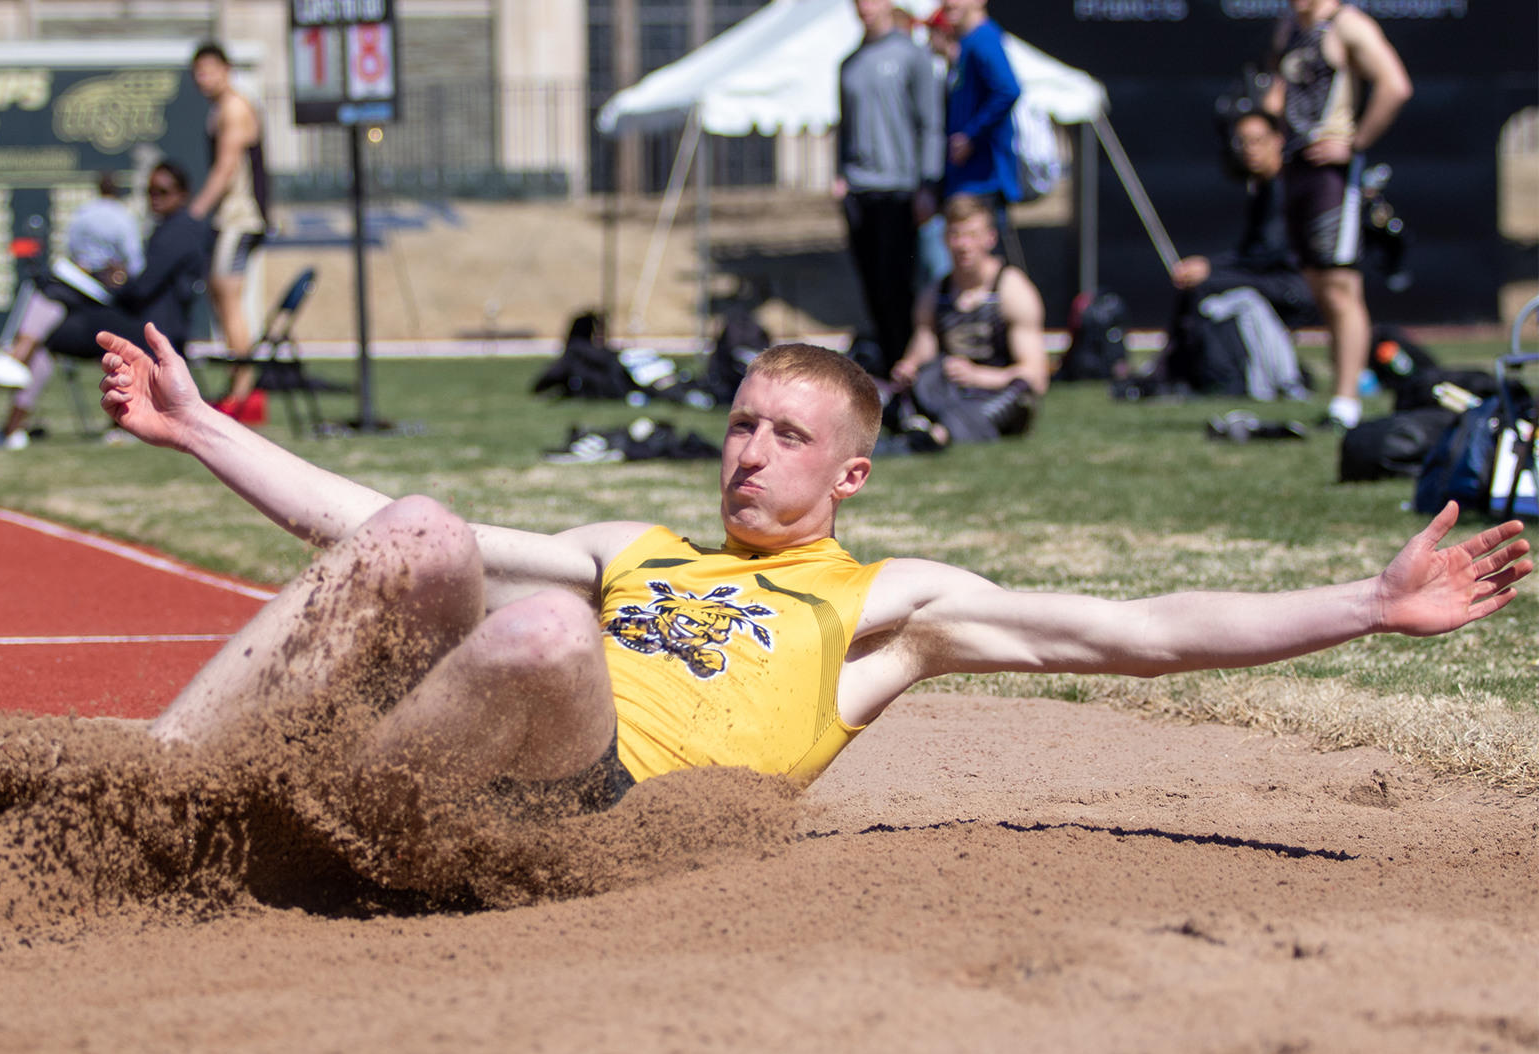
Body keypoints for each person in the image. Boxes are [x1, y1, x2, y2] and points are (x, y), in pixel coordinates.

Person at [87, 326, 1527, 852]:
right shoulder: (637, 548)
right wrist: (200, 426)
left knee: (535, 628)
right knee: (422, 529)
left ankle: (318, 840)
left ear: (848, 477)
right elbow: (365, 532)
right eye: (740, 424)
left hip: (591, 809)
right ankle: (141, 791)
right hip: (451, 747)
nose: (748, 452)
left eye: (787, 436)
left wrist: (1364, 602)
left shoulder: (890, 608)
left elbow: (1135, 630)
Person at [0, 161, 208, 453]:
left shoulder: (178, 230)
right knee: (51, 317)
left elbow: (141, 288)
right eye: (150, 191)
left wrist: (111, 281)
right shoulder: (161, 226)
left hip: (149, 330)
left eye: (162, 191)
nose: (154, 197)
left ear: (182, 194)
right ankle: (11, 425)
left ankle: (15, 364)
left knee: (52, 302)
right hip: (137, 319)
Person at [1261, 0, 1412, 433]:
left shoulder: (1347, 25)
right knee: (1319, 287)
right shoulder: (1289, 25)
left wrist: (1355, 142)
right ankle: (1343, 387)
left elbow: (1395, 84)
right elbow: (1277, 88)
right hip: (1296, 170)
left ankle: (1347, 399)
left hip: (1332, 176)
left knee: (1340, 285)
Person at [1156, 110, 1317, 399]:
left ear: (1277, 141)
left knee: (1203, 285)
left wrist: (1210, 267)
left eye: (1258, 141)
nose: (1251, 150)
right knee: (1197, 285)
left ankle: (1222, 379)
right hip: (1271, 277)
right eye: (1243, 143)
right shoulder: (1262, 188)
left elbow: (1270, 252)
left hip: (1291, 285)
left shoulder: (1285, 187)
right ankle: (1179, 370)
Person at [833, 0, 943, 378]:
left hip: (900, 190)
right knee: (872, 286)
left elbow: (930, 123)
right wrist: (840, 176)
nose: (865, 6)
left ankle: (909, 368)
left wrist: (927, 183)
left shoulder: (912, 56)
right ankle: (886, 368)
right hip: (859, 192)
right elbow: (844, 127)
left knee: (898, 284)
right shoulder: (849, 63)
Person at [0, 170, 145, 395]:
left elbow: (73, 250)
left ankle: (15, 356)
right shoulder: (123, 215)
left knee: (49, 296)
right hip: (92, 288)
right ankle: (15, 371)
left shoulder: (83, 213)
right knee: (49, 307)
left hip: (101, 296)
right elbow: (135, 262)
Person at [887, 193, 1045, 447]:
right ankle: (936, 428)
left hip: (997, 396)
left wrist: (978, 376)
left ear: (990, 238)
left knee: (1020, 394)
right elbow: (922, 351)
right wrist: (908, 368)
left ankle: (941, 431)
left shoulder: (1013, 290)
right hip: (951, 394)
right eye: (956, 235)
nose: (963, 245)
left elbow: (1035, 377)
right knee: (881, 392)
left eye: (972, 235)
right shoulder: (934, 293)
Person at [188, 42, 272, 422]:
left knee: (229, 297)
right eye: (198, 72)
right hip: (229, 218)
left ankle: (245, 392)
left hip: (241, 217)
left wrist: (196, 211)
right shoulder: (217, 109)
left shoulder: (235, 108)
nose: (203, 78)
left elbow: (226, 167)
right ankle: (239, 385)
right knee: (221, 300)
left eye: (209, 69)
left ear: (226, 69)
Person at [936, 0, 1020, 211]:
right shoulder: (966, 42)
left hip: (983, 180)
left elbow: (1008, 89)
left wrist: (970, 136)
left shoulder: (984, 39)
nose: (949, 2)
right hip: (967, 177)